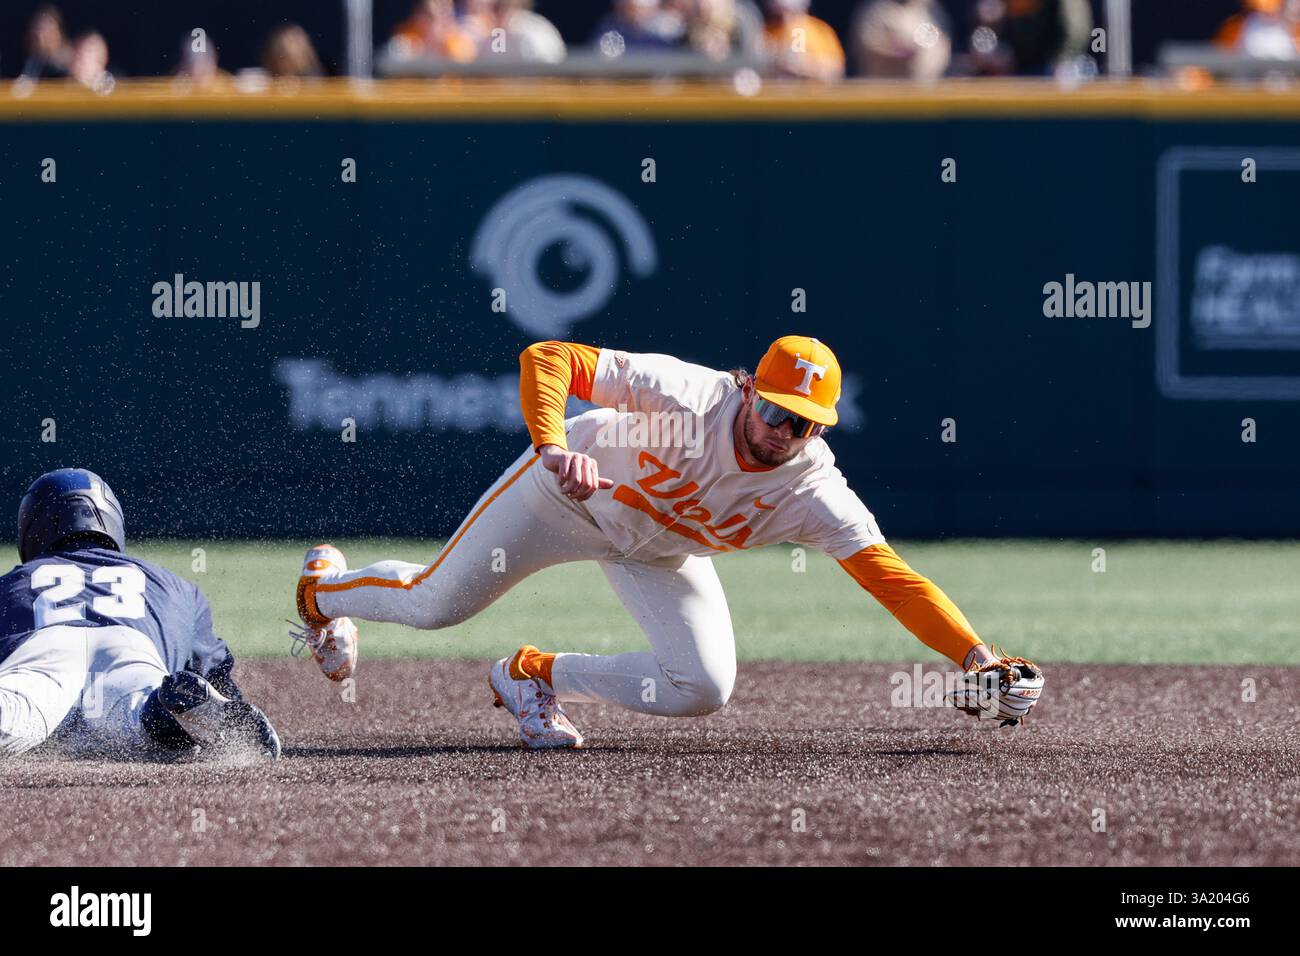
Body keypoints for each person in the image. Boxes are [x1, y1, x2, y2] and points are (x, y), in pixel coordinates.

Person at [292, 337, 1044, 749]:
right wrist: (552, 447)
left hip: (657, 551)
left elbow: (890, 577)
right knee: (435, 606)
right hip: (563, 496)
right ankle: (321, 591)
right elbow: (547, 359)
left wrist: (975, 654)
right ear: (750, 389)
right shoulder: (687, 394)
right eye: (779, 411)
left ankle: (532, 674)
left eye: (806, 422)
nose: (787, 433)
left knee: (704, 687)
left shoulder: (812, 488)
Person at [0, 469, 279, 760]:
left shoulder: (13, 582)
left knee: (17, 711)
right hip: (130, 650)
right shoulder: (174, 586)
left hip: (41, 651)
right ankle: (166, 712)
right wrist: (229, 704)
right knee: (136, 715)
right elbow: (216, 673)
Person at [761, 0, 845, 81]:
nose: (786, 18)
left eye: (788, 12)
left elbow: (835, 71)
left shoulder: (819, 31)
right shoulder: (766, 31)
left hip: (812, 93)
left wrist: (805, 66)